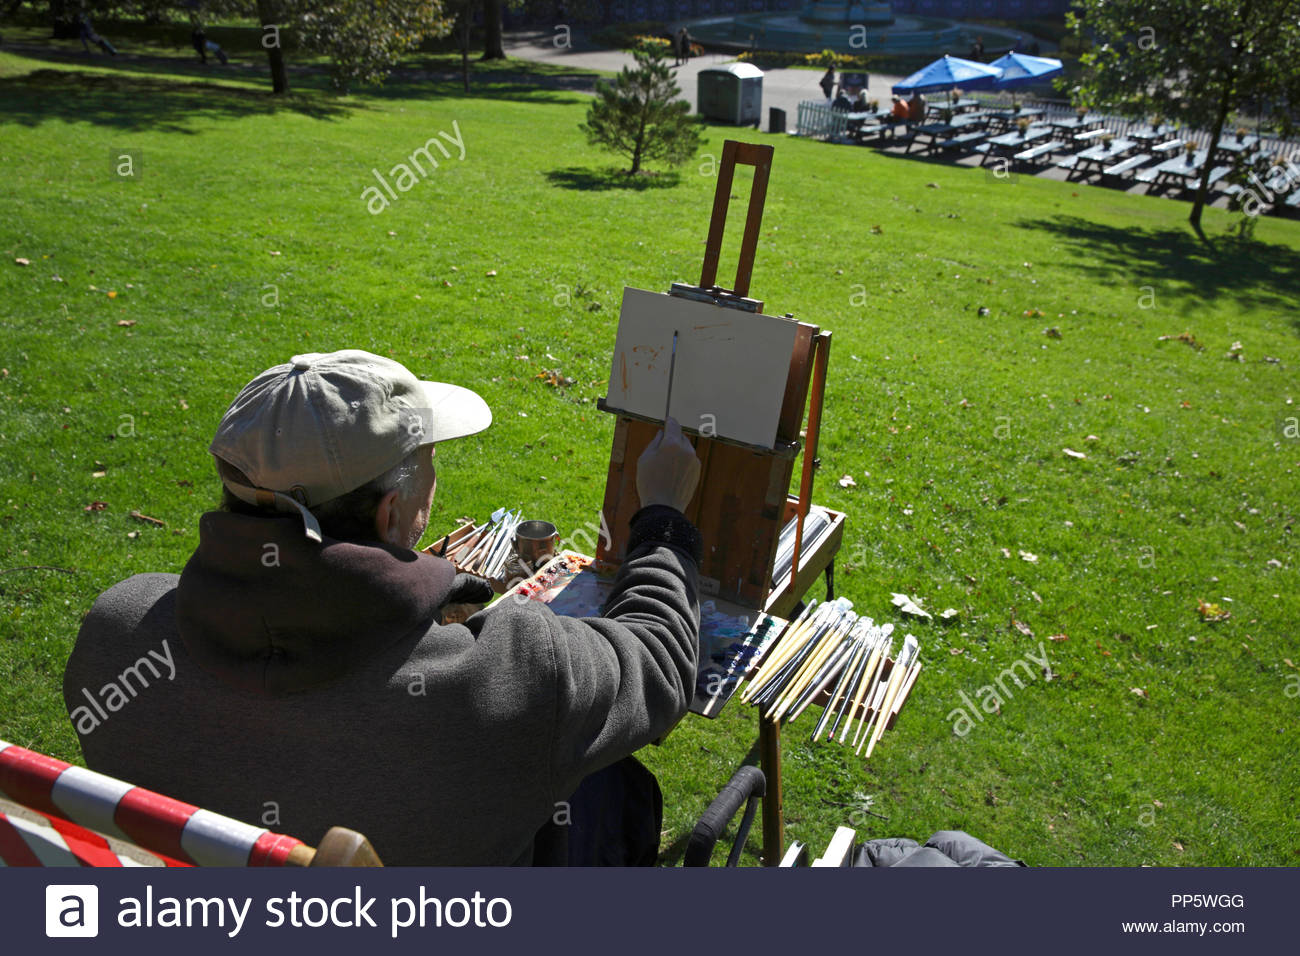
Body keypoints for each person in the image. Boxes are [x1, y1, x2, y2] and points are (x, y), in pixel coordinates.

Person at [63, 350, 704, 866]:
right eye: (428, 468)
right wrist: (664, 518)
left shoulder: (117, 634)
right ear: (390, 512)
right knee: (616, 792)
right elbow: (660, 658)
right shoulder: (514, 673)